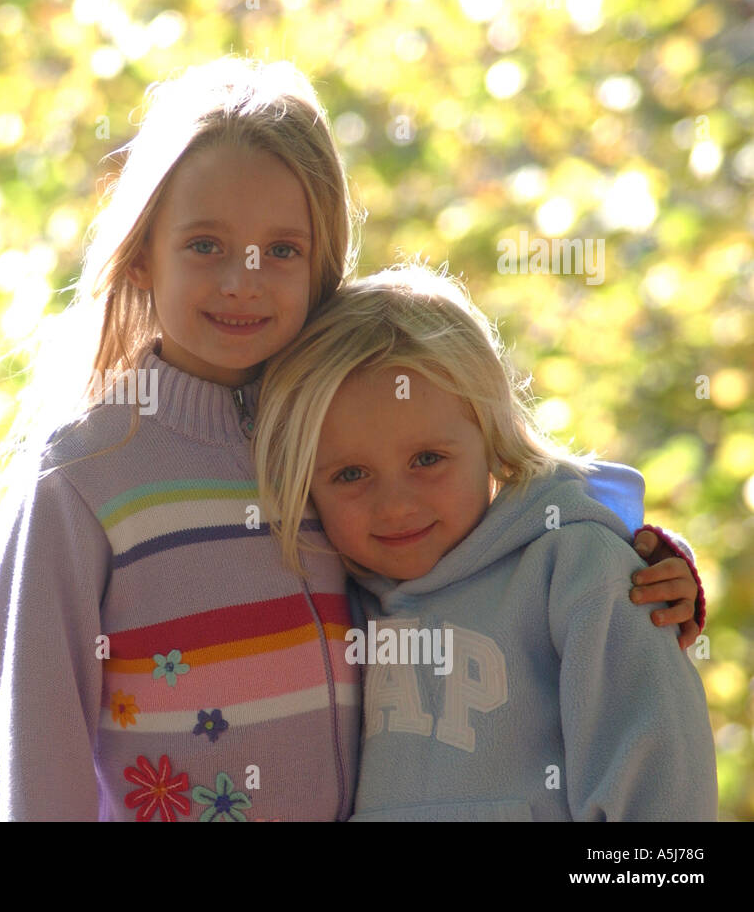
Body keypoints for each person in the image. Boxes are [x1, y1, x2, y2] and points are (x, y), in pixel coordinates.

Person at [0, 57, 702, 821]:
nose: (243, 280)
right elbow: (37, 747)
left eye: (282, 250)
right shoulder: (84, 477)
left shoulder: (338, 429)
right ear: (141, 252)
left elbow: (495, 518)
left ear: (323, 262)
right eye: (204, 245)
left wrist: (638, 560)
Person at [252, 265, 716, 820]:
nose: (395, 506)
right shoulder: (331, 601)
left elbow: (661, 778)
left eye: (427, 460)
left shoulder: (577, 568)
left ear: (492, 439)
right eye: (350, 475)